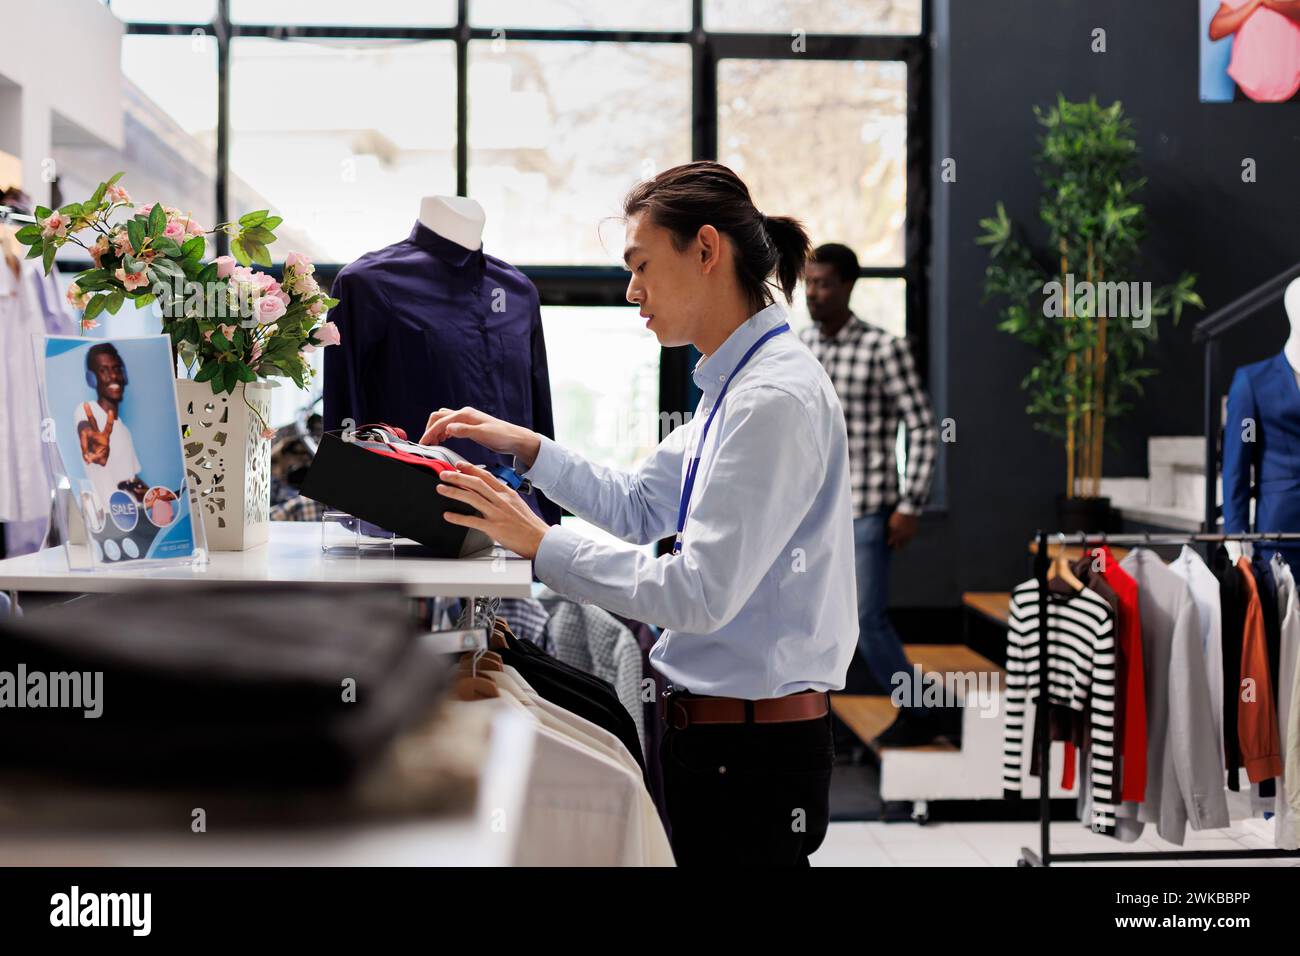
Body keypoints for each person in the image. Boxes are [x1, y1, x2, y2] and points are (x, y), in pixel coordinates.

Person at [419, 161, 856, 866]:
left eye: (643, 265)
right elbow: (641, 503)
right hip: (723, 743)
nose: (632, 292)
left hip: (749, 755)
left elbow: (697, 592)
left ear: (706, 250)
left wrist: (540, 544)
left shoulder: (770, 398)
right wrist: (528, 449)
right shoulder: (735, 388)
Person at [802, 243, 940, 747]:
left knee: (865, 620)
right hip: (810, 514)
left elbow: (924, 427)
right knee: (813, 618)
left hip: (866, 509)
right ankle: (812, 724)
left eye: (824, 283)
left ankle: (921, 709)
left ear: (847, 287)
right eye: (809, 283)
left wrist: (910, 504)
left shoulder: (884, 348)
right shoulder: (799, 349)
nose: (814, 293)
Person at [76, 343, 147, 513]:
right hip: (109, 521)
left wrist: (157, 494)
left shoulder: (123, 429)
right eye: (104, 370)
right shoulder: (86, 410)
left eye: (116, 369)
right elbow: (85, 429)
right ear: (91, 379)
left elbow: (131, 479)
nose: (113, 375)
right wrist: (93, 443)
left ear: (124, 375)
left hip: (135, 520)